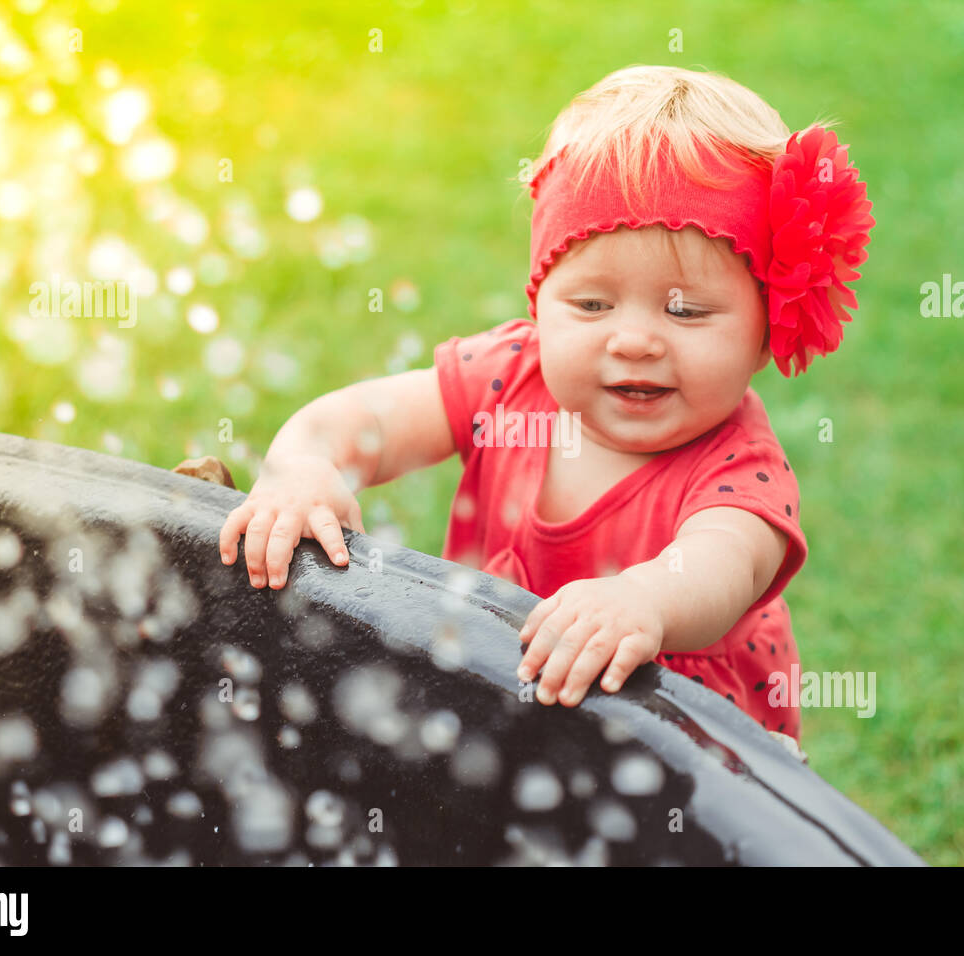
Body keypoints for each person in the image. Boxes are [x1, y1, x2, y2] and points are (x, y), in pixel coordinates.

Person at [218, 64, 874, 746]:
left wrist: (643, 600)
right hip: (500, 701)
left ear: (765, 329)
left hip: (682, 764)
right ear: (541, 302)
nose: (634, 340)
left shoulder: (739, 469)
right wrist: (306, 466)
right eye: (592, 304)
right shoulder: (510, 376)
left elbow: (722, 565)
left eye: (686, 309)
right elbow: (370, 421)